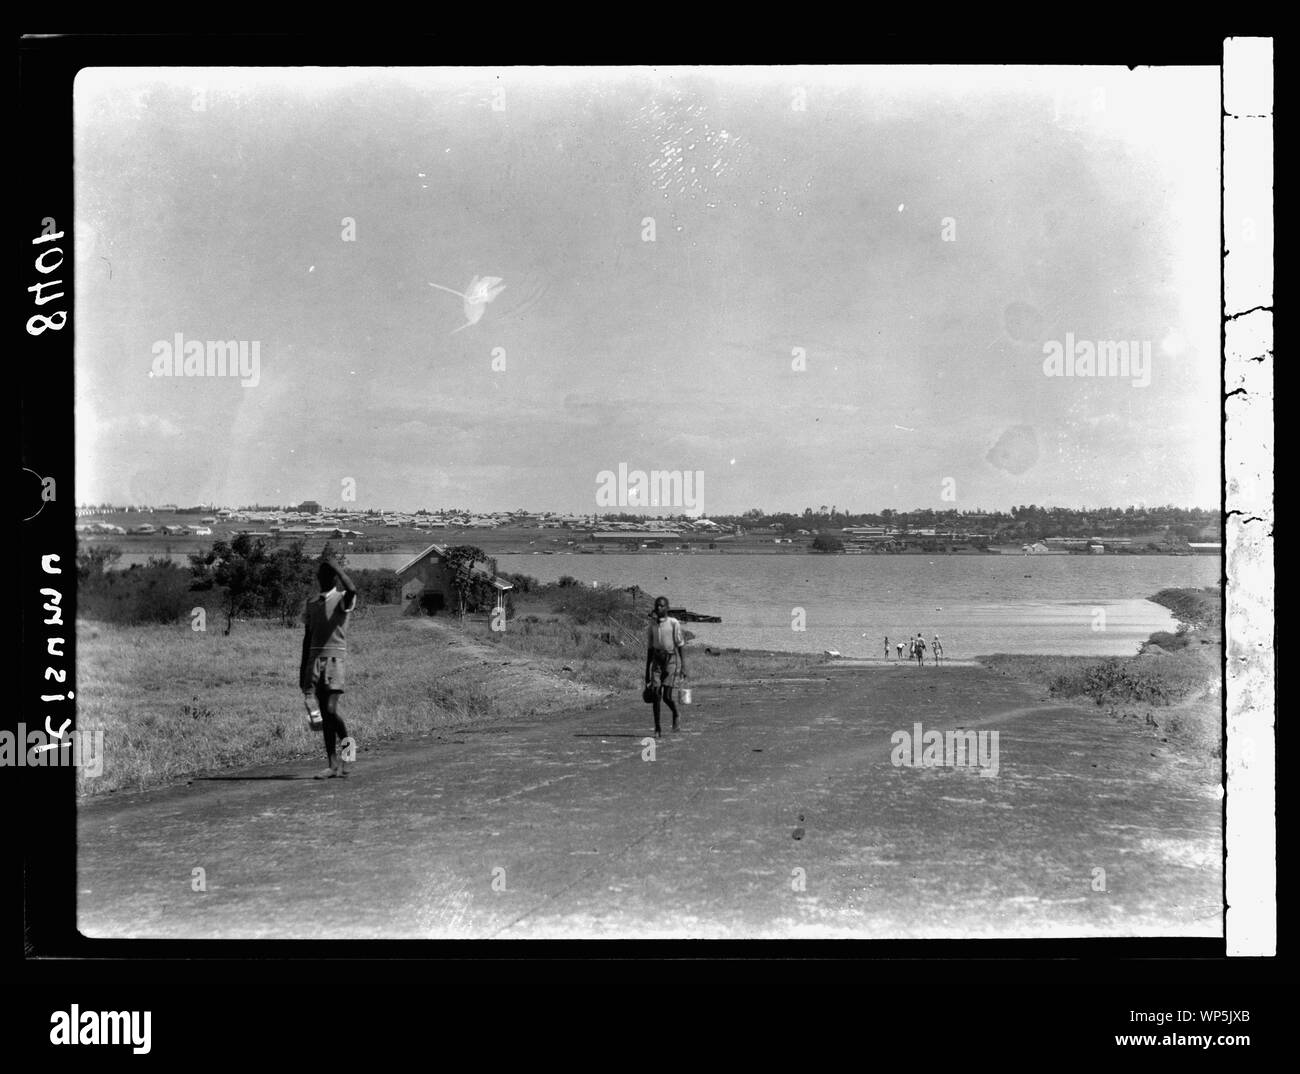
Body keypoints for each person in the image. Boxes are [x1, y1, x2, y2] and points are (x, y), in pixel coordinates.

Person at [299, 558, 359, 778]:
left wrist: (337, 567)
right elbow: (307, 639)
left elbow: (352, 589)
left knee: (331, 710)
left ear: (335, 577)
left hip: (335, 660)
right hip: (314, 661)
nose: (323, 578)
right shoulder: (312, 603)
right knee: (324, 714)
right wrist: (303, 670)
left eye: (329, 574)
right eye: (321, 575)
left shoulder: (343, 599)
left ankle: (349, 752)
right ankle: (332, 765)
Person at [645, 595, 687, 736]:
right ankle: (657, 728)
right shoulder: (652, 625)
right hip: (657, 661)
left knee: (666, 697)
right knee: (656, 695)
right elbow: (650, 649)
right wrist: (647, 672)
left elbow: (680, 645)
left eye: (662, 605)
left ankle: (676, 713)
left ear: (667, 608)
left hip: (670, 661)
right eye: (657, 605)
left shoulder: (673, 623)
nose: (659, 608)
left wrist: (683, 666)